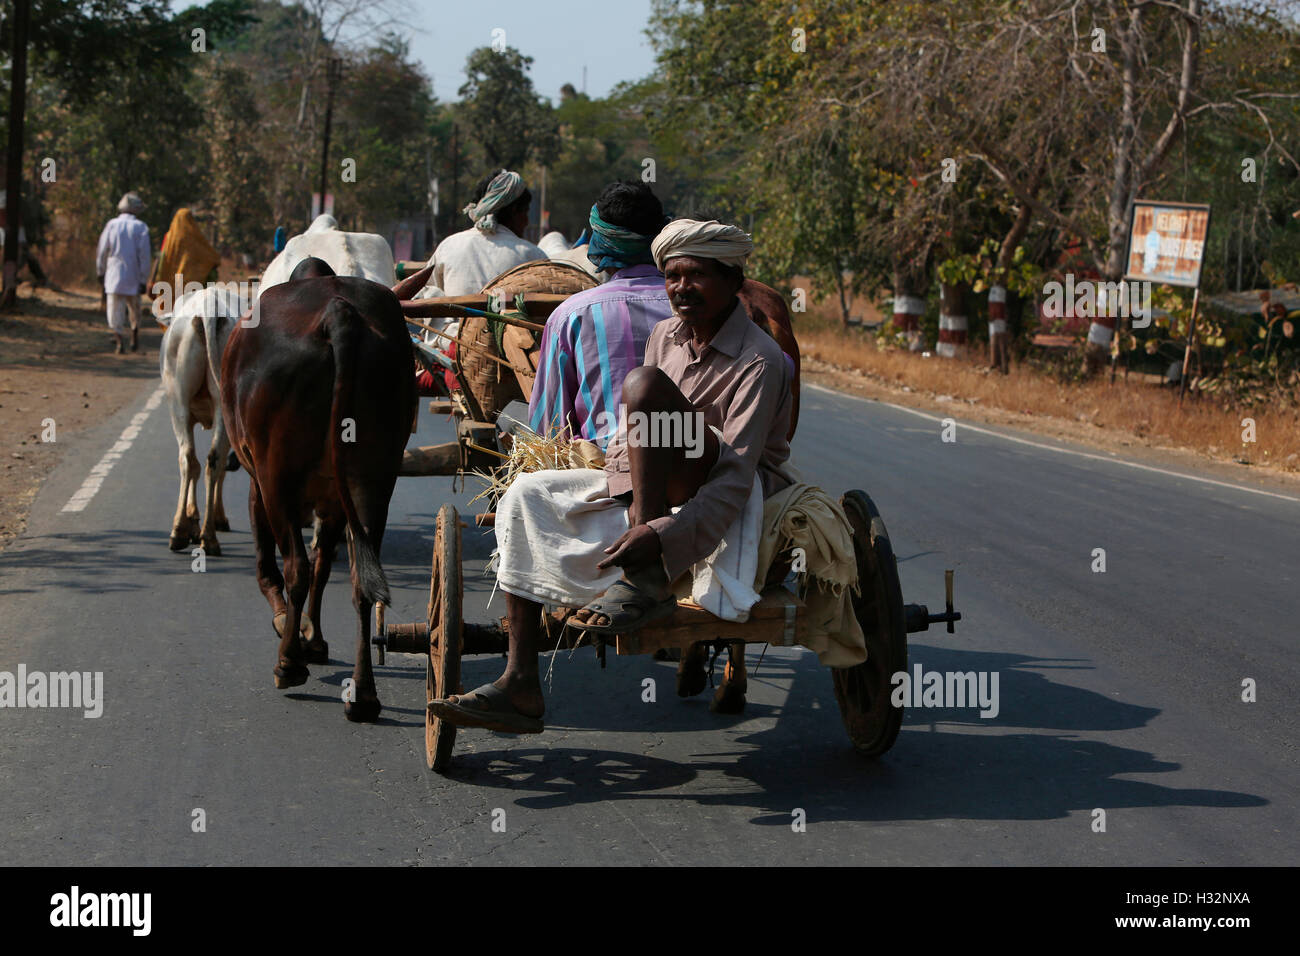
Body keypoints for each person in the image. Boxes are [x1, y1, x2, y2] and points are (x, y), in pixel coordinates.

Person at [428, 219, 794, 733]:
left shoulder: (761, 360)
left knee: (643, 386)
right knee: (527, 495)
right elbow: (627, 438)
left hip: (720, 482)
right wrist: (622, 491)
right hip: (653, 478)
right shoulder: (666, 334)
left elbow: (736, 474)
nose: (681, 288)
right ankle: (521, 682)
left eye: (697, 276)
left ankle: (645, 575)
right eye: (672, 276)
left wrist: (659, 535)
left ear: (734, 281)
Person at [528, 180, 673, 451]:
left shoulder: (570, 315)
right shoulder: (693, 306)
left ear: (601, 243)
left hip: (597, 472)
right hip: (692, 465)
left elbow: (548, 428)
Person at [417, 169, 545, 297]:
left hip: (457, 316)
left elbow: (424, 293)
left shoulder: (448, 246)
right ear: (514, 211)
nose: (527, 221)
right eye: (525, 212)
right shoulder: (534, 256)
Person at [96, 192, 151, 354]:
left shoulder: (111, 225)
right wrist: (143, 278)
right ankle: (134, 335)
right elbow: (144, 255)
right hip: (133, 275)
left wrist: (100, 271)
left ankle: (119, 340)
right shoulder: (141, 227)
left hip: (113, 274)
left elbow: (102, 250)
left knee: (114, 309)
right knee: (135, 308)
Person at [152, 207, 220, 295]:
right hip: (192, 285)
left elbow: (161, 258)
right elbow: (211, 257)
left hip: (170, 282)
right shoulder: (196, 238)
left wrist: (153, 279)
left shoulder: (169, 238)